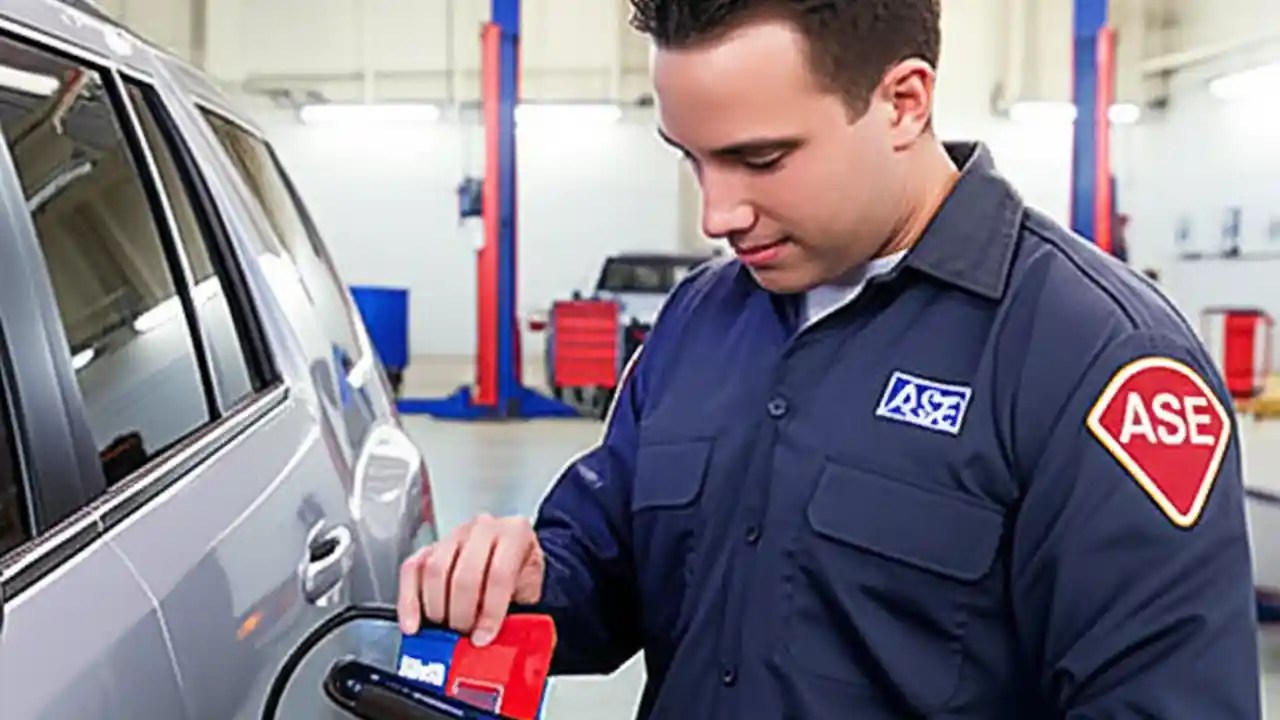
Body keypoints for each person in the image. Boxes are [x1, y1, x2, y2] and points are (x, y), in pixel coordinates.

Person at [399, 1, 1262, 717]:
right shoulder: (702, 318)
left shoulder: (1095, 357)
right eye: (691, 159)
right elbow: (614, 566)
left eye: (760, 159)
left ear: (902, 103)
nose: (717, 214)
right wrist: (532, 577)